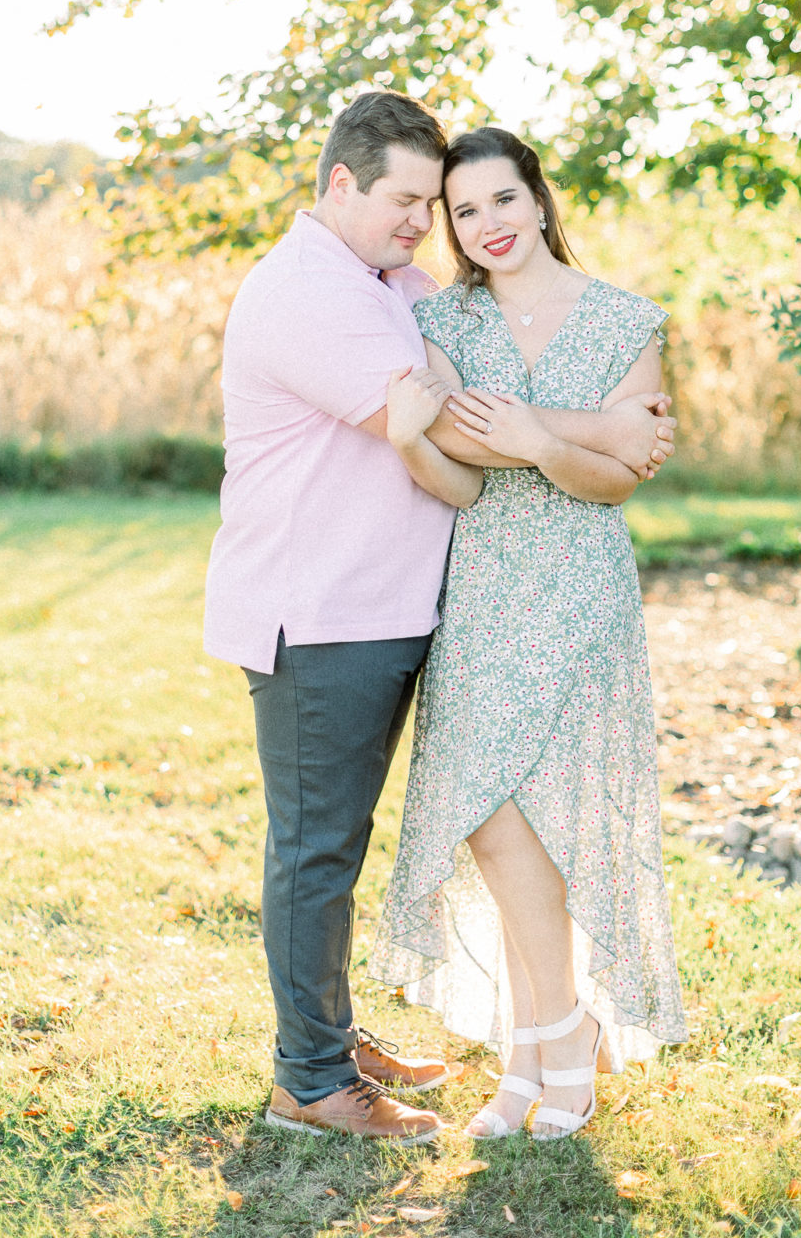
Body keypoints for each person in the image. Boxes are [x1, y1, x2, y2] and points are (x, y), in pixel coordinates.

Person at [204, 92, 678, 1143]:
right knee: (320, 847)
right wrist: (602, 424)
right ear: (341, 184)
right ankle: (311, 1077)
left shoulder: (395, 287)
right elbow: (442, 434)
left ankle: (336, 1037)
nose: (431, 223)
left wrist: (577, 437)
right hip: (316, 610)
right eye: (413, 201)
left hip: (403, 607)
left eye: (447, 203)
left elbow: (472, 440)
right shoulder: (305, 294)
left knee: (346, 837)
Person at [371, 125, 689, 1142]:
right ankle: (557, 1034)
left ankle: (533, 1063)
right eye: (464, 212)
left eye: (502, 199)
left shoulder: (623, 318)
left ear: (538, 200)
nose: (486, 224)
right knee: (489, 816)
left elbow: (619, 481)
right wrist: (587, 427)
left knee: (547, 826)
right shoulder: (447, 315)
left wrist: (542, 437)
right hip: (484, 587)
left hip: (580, 592)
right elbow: (458, 462)